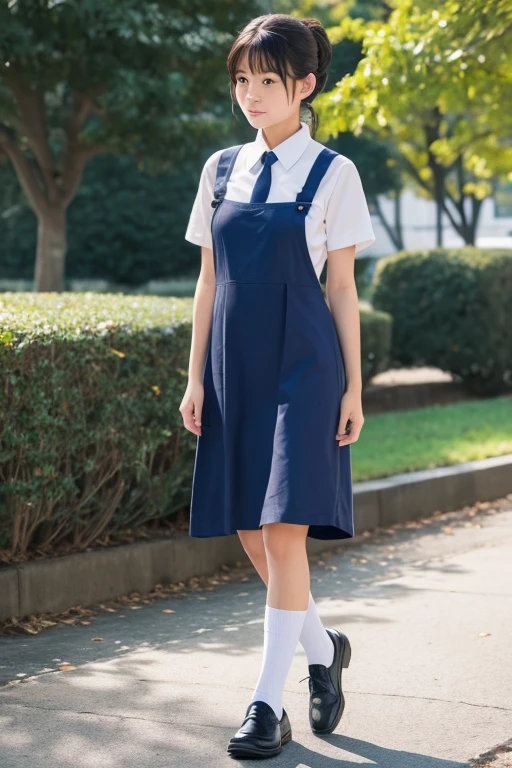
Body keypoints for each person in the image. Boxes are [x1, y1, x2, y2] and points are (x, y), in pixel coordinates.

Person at [180, 12, 376, 760]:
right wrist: (195, 377)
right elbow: (206, 282)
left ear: (304, 85)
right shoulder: (220, 169)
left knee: (283, 528)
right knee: (247, 528)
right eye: (242, 80)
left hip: (304, 365)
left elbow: (344, 290)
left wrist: (354, 388)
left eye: (267, 81)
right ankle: (324, 650)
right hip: (234, 363)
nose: (251, 95)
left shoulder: (335, 173)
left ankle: (267, 705)